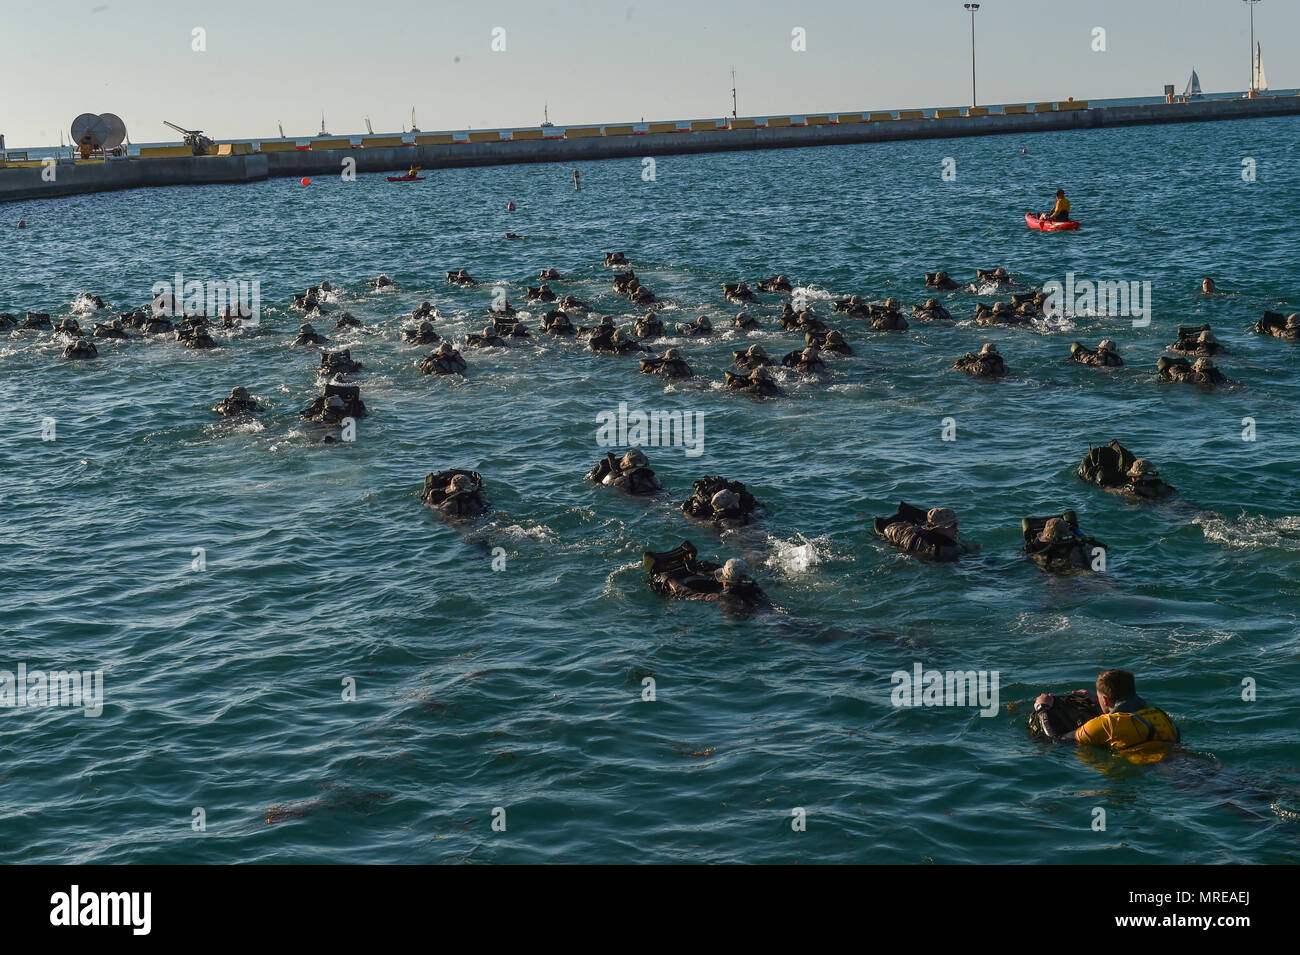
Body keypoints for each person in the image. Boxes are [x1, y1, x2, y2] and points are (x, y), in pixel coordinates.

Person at [1034, 669, 1179, 754]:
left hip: (1156, 771)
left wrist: (1042, 709)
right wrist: (1101, 703)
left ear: (1106, 700)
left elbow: (1057, 740)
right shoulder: (1160, 714)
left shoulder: (1106, 724)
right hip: (1186, 761)